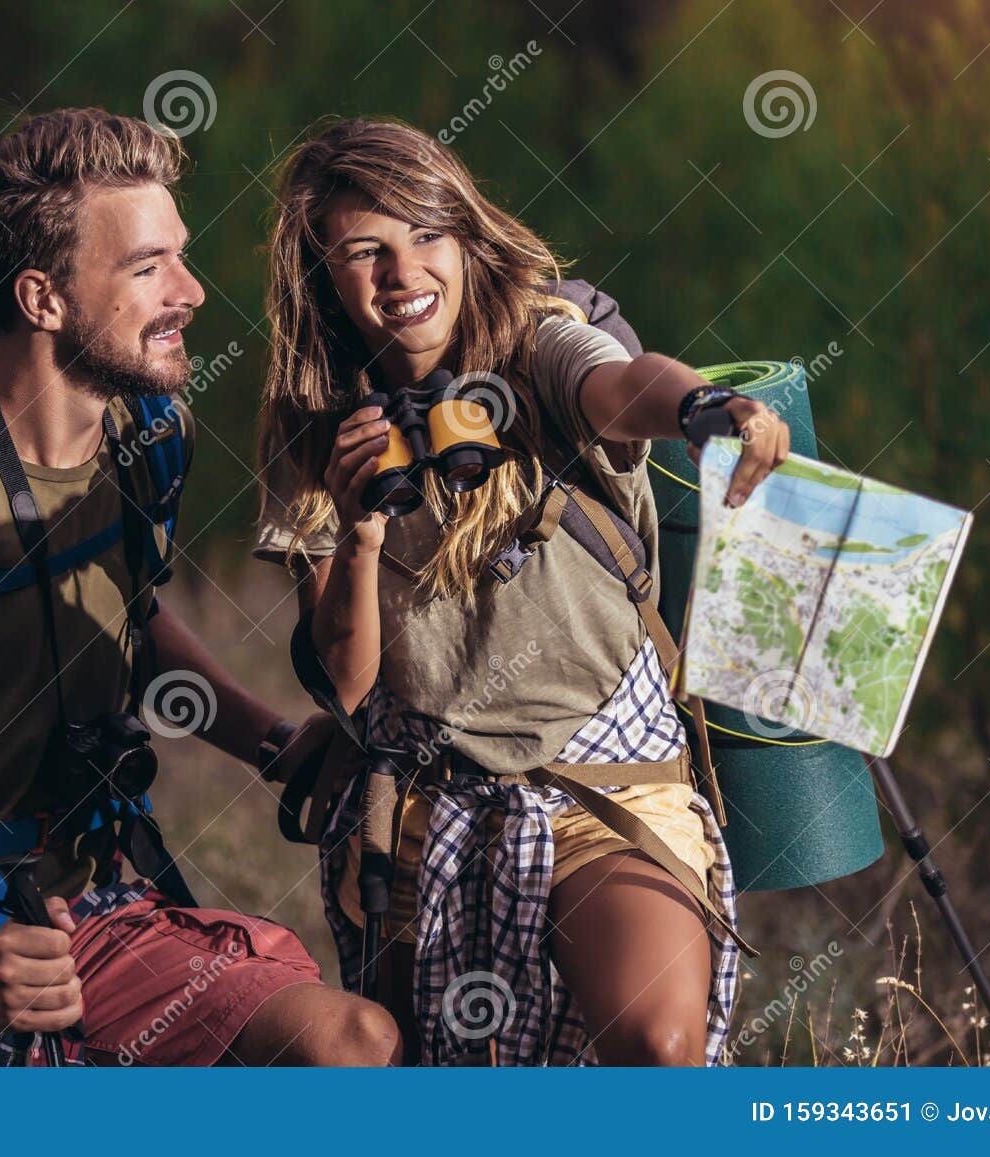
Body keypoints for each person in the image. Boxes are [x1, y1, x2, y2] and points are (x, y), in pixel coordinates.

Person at [0, 107, 399, 1066]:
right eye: (148, 268)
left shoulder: (149, 438)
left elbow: (124, 618)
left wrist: (271, 743)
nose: (190, 290)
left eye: (179, 257)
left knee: (347, 1045)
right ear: (42, 297)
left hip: (96, 908)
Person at [253, 118, 790, 1066]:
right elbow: (344, 680)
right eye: (364, 251)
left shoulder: (536, 341)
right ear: (321, 274)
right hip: (426, 798)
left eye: (427, 235)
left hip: (599, 771)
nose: (403, 272)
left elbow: (620, 384)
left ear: (465, 236)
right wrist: (361, 527)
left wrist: (707, 410)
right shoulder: (312, 429)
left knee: (659, 1047)